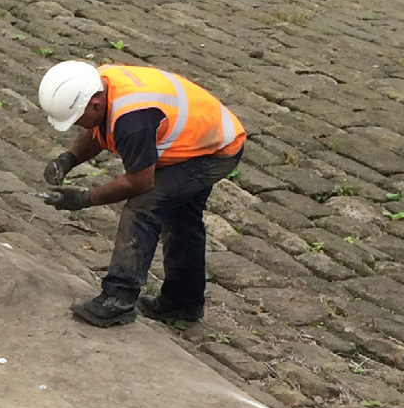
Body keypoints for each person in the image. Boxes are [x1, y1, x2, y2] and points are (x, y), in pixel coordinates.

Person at [35, 61, 246, 328]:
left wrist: (84, 198)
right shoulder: (99, 83)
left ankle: (119, 298)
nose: (77, 126)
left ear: (95, 106)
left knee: (143, 208)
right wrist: (69, 159)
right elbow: (97, 130)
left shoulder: (133, 120)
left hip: (214, 150)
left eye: (76, 119)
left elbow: (140, 181)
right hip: (203, 136)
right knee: (182, 220)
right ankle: (183, 302)